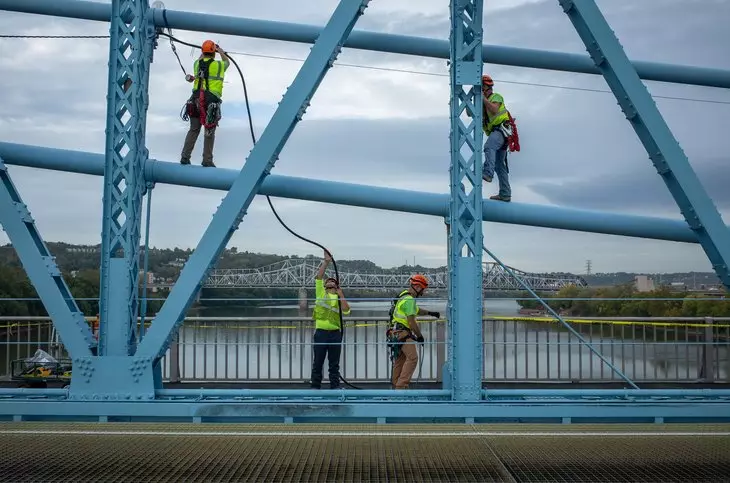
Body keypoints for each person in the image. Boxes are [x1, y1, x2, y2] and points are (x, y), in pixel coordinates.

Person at [180, 39, 230, 168]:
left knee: (194, 129)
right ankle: (207, 160)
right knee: (209, 131)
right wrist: (220, 51)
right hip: (210, 102)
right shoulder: (218, 65)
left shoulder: (197, 64)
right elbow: (227, 62)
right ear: (213, 53)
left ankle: (185, 157)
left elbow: (201, 58)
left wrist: (207, 50)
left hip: (195, 99)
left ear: (203, 52)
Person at [389, 274, 440, 389]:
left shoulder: (403, 296)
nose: (423, 292)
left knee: (400, 360)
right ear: (417, 287)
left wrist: (430, 313)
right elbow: (411, 322)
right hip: (403, 333)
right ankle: (401, 387)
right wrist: (420, 336)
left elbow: (416, 310)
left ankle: (396, 386)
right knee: (413, 358)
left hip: (395, 332)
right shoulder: (409, 300)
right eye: (422, 289)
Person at [310, 250, 351, 389]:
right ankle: (315, 388)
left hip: (335, 334)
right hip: (321, 333)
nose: (330, 283)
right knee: (318, 363)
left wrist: (341, 295)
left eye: (333, 282)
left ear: (336, 286)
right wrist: (326, 262)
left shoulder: (339, 297)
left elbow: (346, 310)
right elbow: (319, 277)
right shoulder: (321, 293)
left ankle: (335, 389)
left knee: (334, 364)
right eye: (328, 282)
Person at [481, 74, 513, 202]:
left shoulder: (496, 97)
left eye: (482, 87)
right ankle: (505, 193)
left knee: (489, 147)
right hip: (499, 132)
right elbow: (469, 112)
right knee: (500, 165)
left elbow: (494, 109)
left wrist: (482, 99)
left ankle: (488, 173)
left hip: (501, 130)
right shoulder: (484, 103)